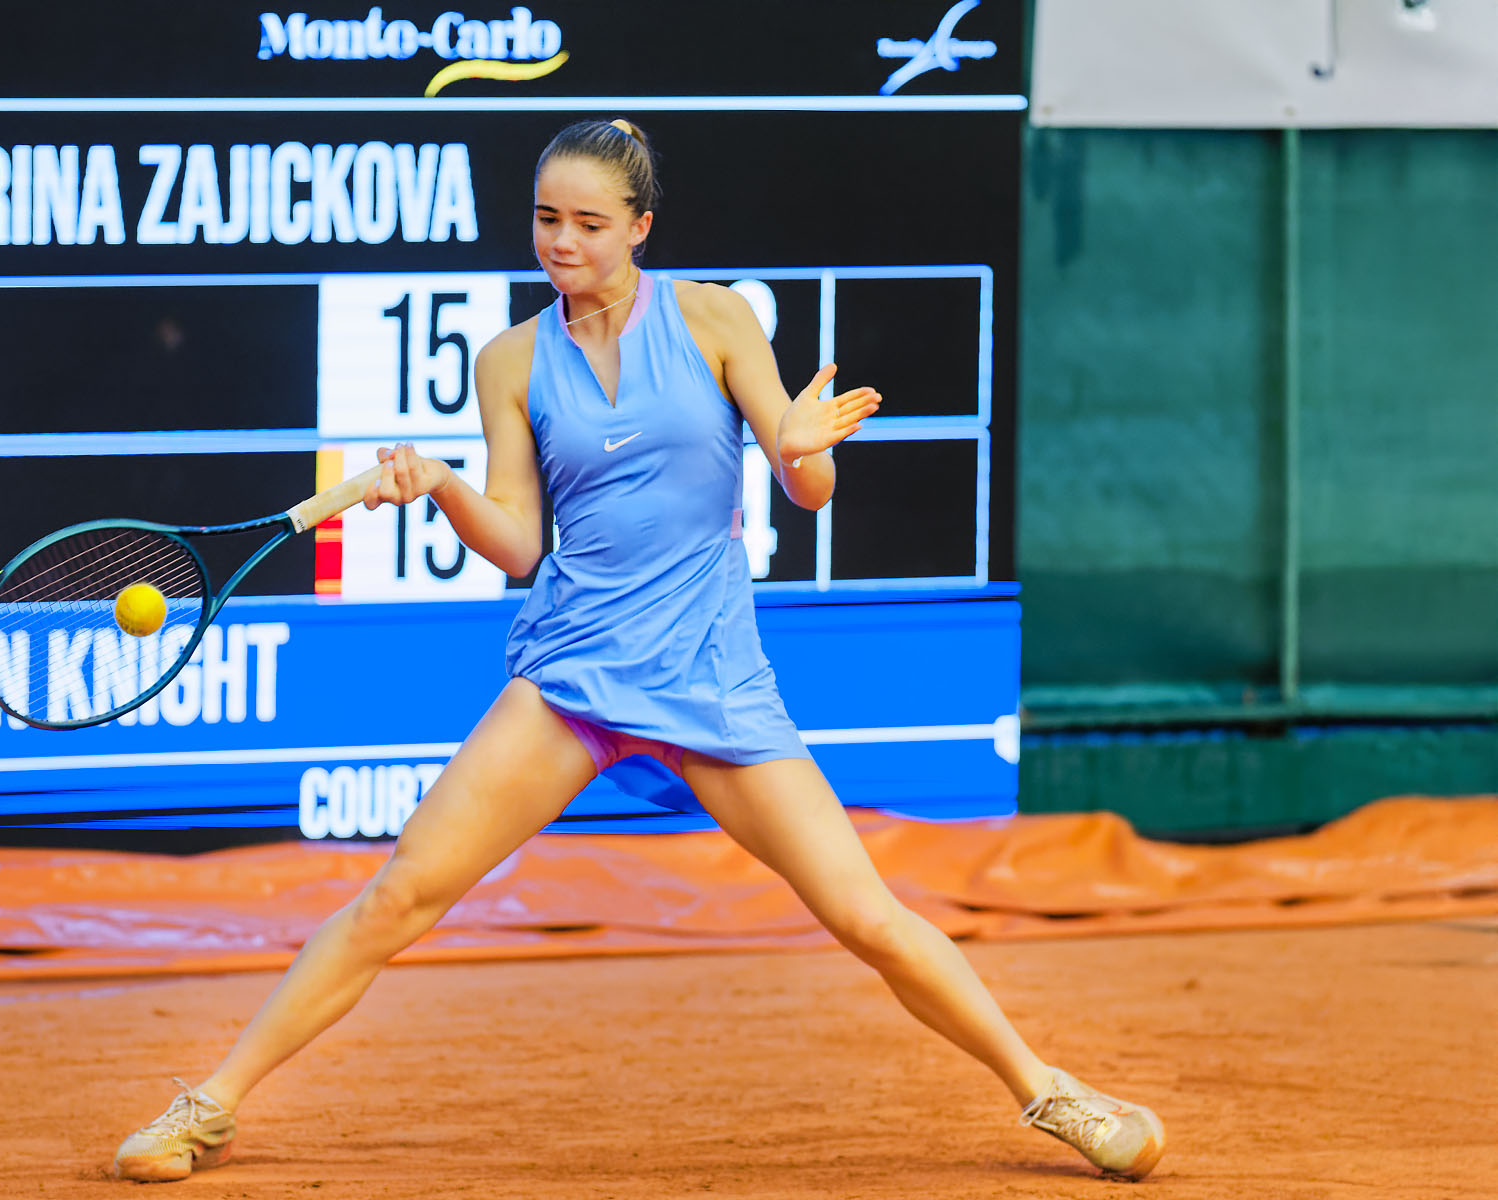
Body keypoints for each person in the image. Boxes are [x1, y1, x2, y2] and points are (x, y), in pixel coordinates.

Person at [113, 119, 1166, 1184]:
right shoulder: (512, 360)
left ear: (639, 228)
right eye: (544, 218)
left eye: (588, 223)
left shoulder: (713, 319)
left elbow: (801, 478)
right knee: (400, 895)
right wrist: (439, 486)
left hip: (709, 673)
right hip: (574, 673)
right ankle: (205, 1106)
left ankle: (1050, 1092)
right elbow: (520, 539)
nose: (561, 242)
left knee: (864, 914)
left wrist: (803, 459)